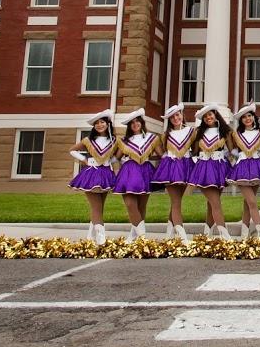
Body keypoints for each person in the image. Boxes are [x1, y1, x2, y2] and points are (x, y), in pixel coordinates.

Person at [67, 109, 119, 245]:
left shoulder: (114, 140)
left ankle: (90, 237)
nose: (99, 125)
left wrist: (110, 162)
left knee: (99, 207)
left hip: (107, 174)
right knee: (96, 207)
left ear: (108, 124)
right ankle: (101, 238)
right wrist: (84, 160)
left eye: (102, 122)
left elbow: (115, 157)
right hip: (92, 173)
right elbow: (72, 150)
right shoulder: (88, 140)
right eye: (96, 123)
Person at [188, 104, 233, 239]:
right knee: (215, 203)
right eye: (205, 116)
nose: (208, 117)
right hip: (204, 169)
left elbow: (231, 150)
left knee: (212, 204)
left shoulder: (225, 131)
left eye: (210, 114)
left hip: (219, 168)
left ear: (215, 114)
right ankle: (225, 237)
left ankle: (206, 235)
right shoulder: (198, 132)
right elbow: (194, 151)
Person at [151, 103, 194, 242]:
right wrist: (164, 156)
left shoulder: (191, 131)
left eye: (177, 115)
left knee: (177, 201)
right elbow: (158, 147)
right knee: (176, 202)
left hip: (186, 167)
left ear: (182, 115)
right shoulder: (165, 135)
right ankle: (183, 238)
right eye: (172, 117)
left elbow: (198, 146)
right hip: (170, 168)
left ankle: (169, 235)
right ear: (169, 120)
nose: (176, 118)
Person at [114, 108, 159, 241]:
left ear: (141, 123)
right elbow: (116, 157)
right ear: (129, 126)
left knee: (141, 206)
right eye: (132, 123)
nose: (135, 124)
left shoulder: (152, 138)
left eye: (137, 121)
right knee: (130, 204)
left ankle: (134, 237)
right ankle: (143, 237)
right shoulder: (124, 140)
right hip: (128, 171)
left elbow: (161, 155)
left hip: (145, 170)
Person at [228, 102, 260, 239]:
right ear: (241, 120)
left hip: (257, 167)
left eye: (250, 115)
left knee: (247, 204)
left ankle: (244, 234)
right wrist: (231, 154)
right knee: (252, 202)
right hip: (242, 168)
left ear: (254, 117)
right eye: (244, 117)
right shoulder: (236, 134)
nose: (247, 119)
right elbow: (232, 150)